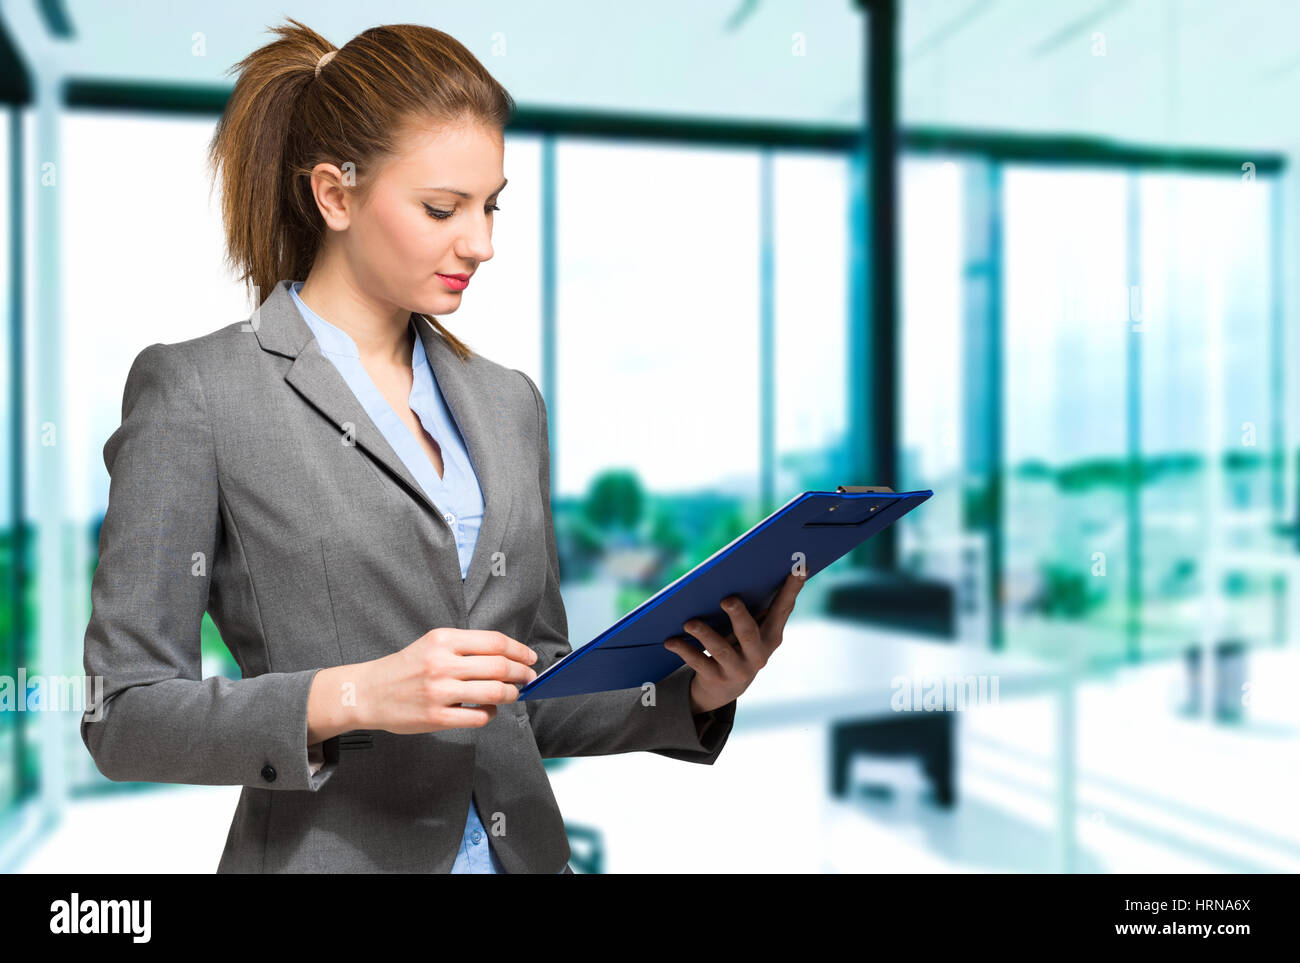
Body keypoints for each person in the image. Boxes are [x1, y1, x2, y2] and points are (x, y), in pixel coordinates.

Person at [80, 17, 805, 873]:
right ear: (335, 195)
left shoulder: (508, 403)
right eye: (441, 208)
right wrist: (352, 694)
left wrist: (695, 690)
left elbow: (530, 689)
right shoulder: (199, 393)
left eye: (491, 204)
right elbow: (120, 714)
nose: (483, 243)